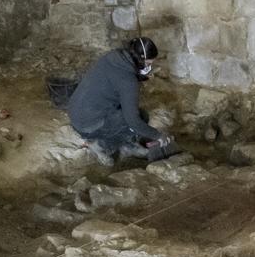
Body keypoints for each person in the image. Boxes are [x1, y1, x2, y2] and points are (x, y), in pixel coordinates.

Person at [65, 37, 176, 166]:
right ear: (140, 60)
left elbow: (116, 79)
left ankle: (128, 146)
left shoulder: (113, 57)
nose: (149, 67)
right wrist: (158, 136)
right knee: (137, 120)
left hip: (76, 111)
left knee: (139, 117)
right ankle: (99, 146)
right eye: (148, 64)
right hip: (86, 124)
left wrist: (138, 75)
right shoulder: (128, 81)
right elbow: (133, 121)